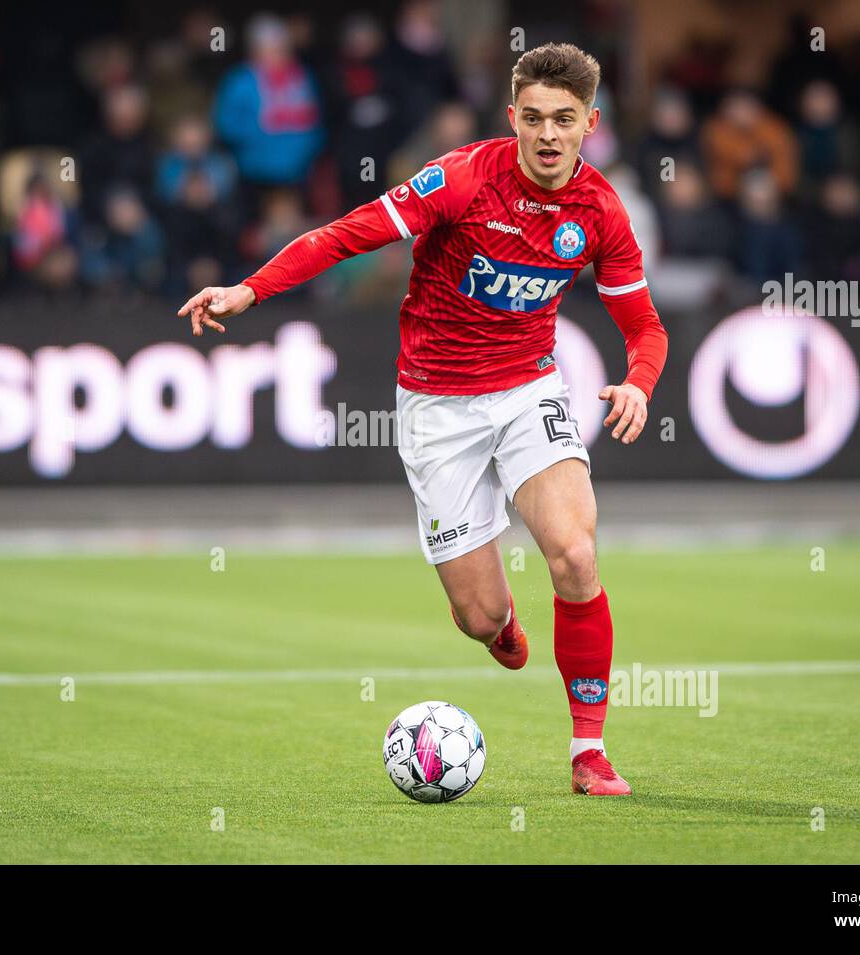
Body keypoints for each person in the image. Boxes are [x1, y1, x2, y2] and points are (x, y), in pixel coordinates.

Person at [178, 43, 667, 797]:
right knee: (477, 615)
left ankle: (588, 750)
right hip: (437, 405)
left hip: (529, 388)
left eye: (563, 121)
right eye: (532, 118)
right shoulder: (464, 178)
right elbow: (345, 234)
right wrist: (252, 289)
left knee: (573, 553)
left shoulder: (599, 210)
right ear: (511, 117)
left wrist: (637, 382)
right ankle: (502, 627)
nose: (546, 135)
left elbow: (645, 327)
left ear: (589, 124)